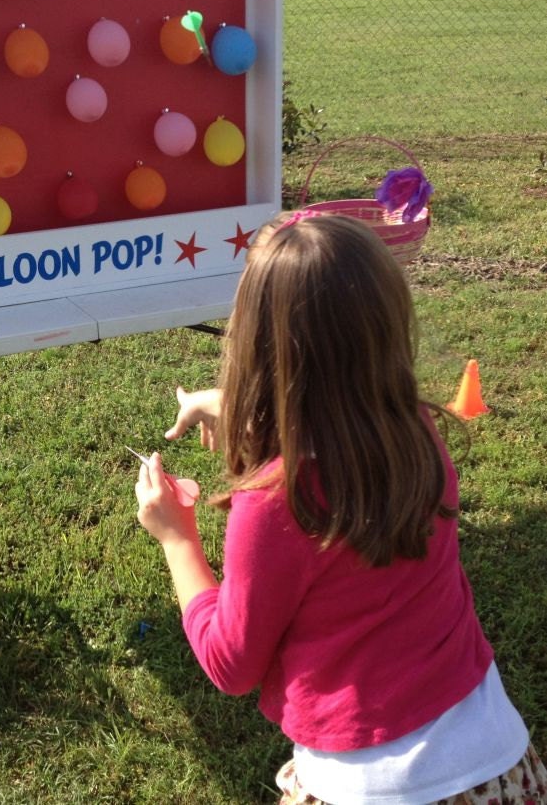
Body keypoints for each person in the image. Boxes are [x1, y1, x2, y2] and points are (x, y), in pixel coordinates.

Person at [133, 211, 547, 805]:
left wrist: (176, 537)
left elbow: (232, 664)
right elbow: (332, 410)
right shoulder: (416, 432)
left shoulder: (275, 503)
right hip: (496, 762)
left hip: (367, 787)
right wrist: (234, 406)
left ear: (253, 342)